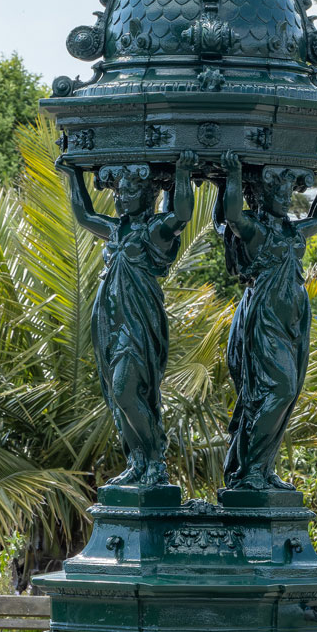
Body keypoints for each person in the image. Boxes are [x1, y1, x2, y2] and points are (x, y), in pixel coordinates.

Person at [60, 150, 197, 486]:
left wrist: (182, 170)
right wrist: (73, 174)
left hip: (138, 323)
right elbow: (84, 215)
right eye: (118, 192)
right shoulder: (116, 230)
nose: (121, 199)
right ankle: (138, 462)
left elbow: (181, 213)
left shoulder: (154, 231)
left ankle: (155, 460)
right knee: (116, 395)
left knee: (125, 390)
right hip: (109, 321)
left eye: (130, 191)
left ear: (148, 194)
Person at [217, 150, 317, 491]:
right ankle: (250, 471)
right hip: (266, 321)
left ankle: (263, 468)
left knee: (287, 393)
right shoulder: (256, 231)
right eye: (277, 192)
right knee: (278, 390)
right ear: (261, 195)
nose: (285, 198)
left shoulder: (292, 233)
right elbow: (232, 216)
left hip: (294, 324)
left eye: (288, 193)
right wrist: (233, 175)